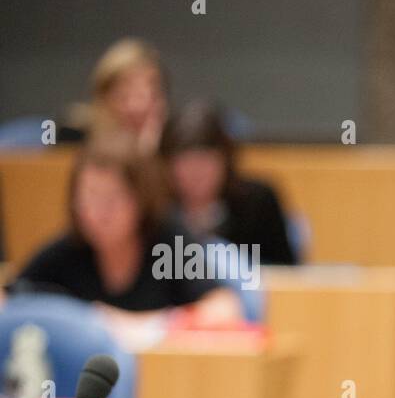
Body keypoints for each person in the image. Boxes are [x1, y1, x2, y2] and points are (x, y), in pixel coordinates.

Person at [4, 137, 243, 326]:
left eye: (112, 199)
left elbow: (224, 309)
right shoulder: (69, 248)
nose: (99, 213)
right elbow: (7, 300)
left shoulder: (168, 239)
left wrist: (133, 324)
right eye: (89, 199)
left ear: (141, 199)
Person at [161, 100, 298, 265]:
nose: (196, 173)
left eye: (205, 160)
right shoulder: (157, 210)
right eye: (185, 162)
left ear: (226, 160)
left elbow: (286, 273)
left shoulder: (258, 202)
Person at [64, 38, 169, 152]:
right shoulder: (74, 135)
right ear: (103, 96)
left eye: (148, 97)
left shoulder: (171, 144)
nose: (137, 107)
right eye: (124, 97)